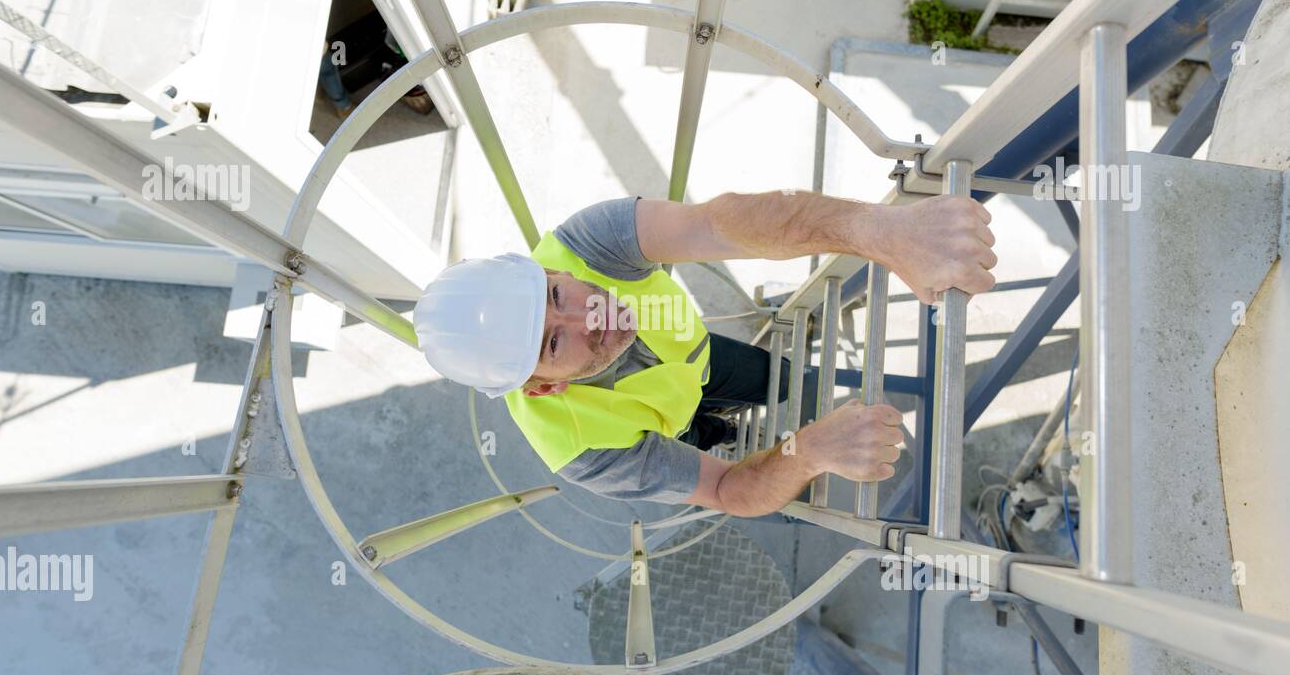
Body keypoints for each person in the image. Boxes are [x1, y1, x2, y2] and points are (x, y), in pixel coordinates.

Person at [414, 190, 996, 515]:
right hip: (666, 424)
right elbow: (724, 490)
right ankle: (715, 431)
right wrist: (809, 452)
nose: (587, 316)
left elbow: (722, 225)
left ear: (547, 269)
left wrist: (878, 231)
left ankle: (739, 414)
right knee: (711, 443)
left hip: (700, 359)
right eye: (553, 341)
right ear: (542, 387)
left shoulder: (584, 243)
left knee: (789, 381)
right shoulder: (582, 451)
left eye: (556, 294)